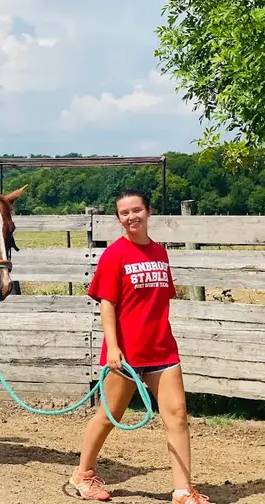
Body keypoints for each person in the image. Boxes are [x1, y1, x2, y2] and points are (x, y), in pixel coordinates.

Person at [69, 188, 213, 504]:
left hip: (162, 349)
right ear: (119, 218)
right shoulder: (114, 255)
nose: (131, 217)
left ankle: (181, 491)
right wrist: (114, 347)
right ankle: (84, 473)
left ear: (148, 212)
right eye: (124, 213)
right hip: (125, 354)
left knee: (177, 415)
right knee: (110, 416)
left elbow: (158, 301)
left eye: (136, 210)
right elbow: (107, 305)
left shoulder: (161, 252)